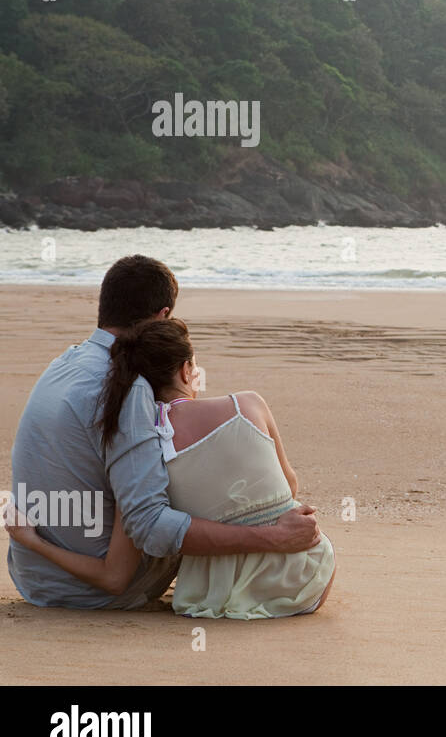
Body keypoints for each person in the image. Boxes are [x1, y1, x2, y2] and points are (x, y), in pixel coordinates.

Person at [5, 255, 321, 610]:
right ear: (162, 317)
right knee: (194, 464)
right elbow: (150, 526)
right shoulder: (128, 390)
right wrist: (272, 537)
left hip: (34, 576)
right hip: (93, 591)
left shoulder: (63, 363)